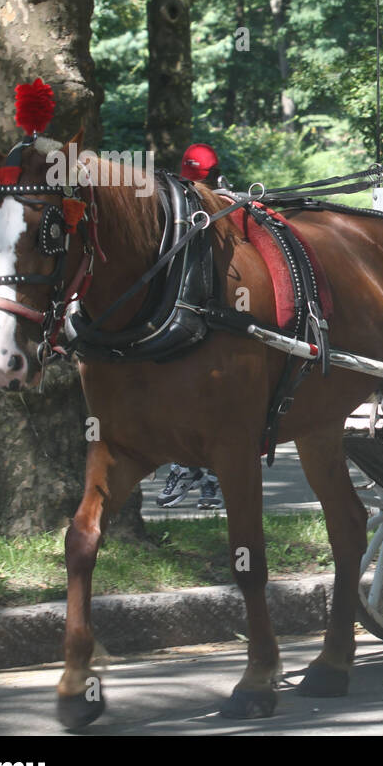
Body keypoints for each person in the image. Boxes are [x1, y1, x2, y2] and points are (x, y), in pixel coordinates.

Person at [156, 143, 228, 510]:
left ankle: (211, 478)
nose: (197, 186)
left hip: (223, 315)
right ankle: (186, 467)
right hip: (182, 312)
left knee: (216, 401)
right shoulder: (173, 204)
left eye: (204, 180)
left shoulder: (229, 204)